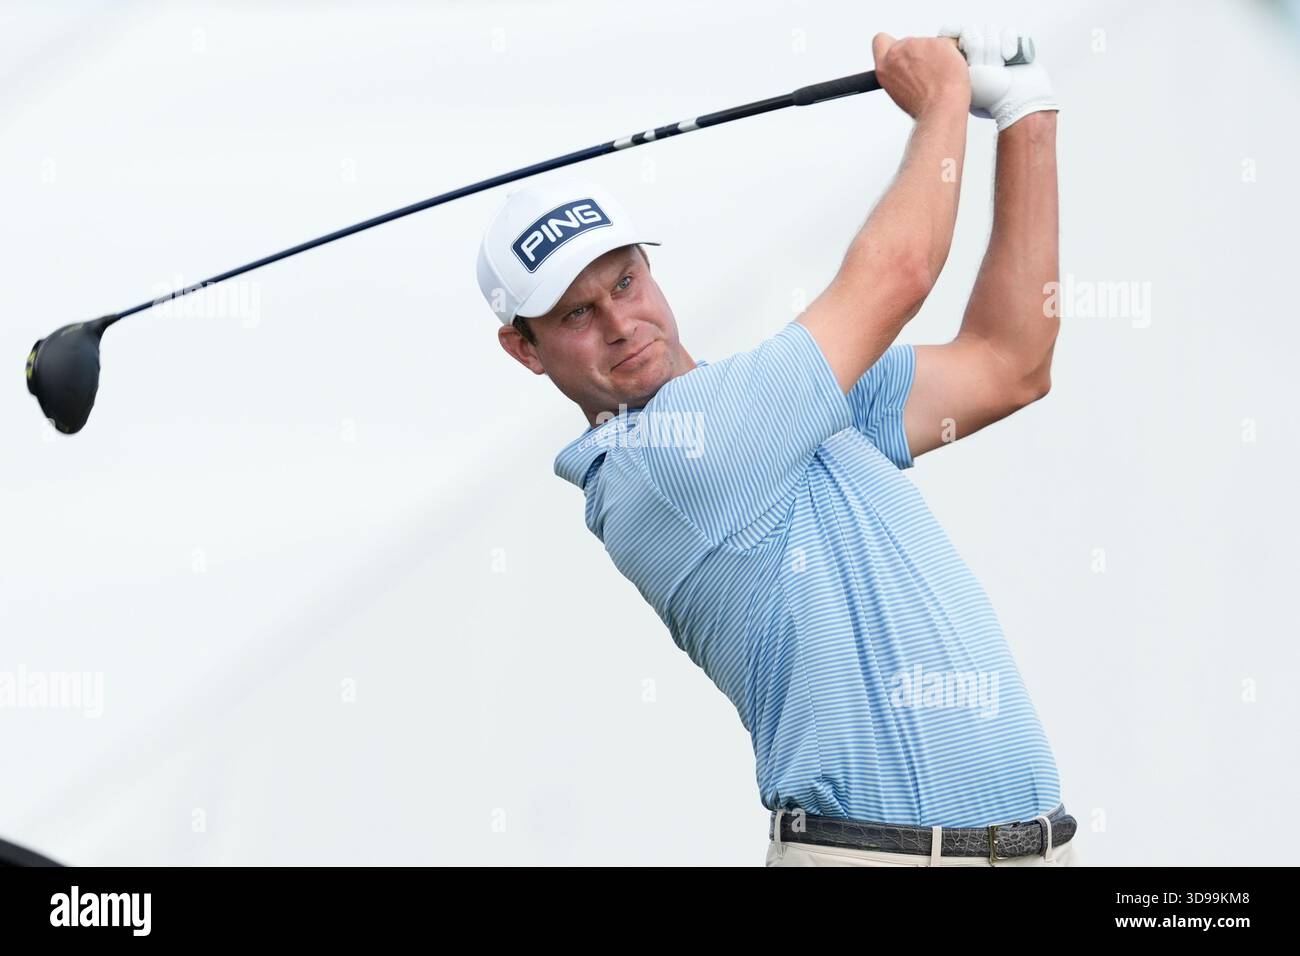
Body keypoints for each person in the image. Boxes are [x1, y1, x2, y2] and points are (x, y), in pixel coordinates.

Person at [477, 25, 1072, 866]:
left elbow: (1009, 363)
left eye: (625, 281)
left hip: (1036, 845)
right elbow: (897, 275)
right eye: (576, 314)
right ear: (525, 349)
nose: (622, 323)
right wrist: (939, 101)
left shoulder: (781, 405)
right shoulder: (665, 461)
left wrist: (1025, 114)